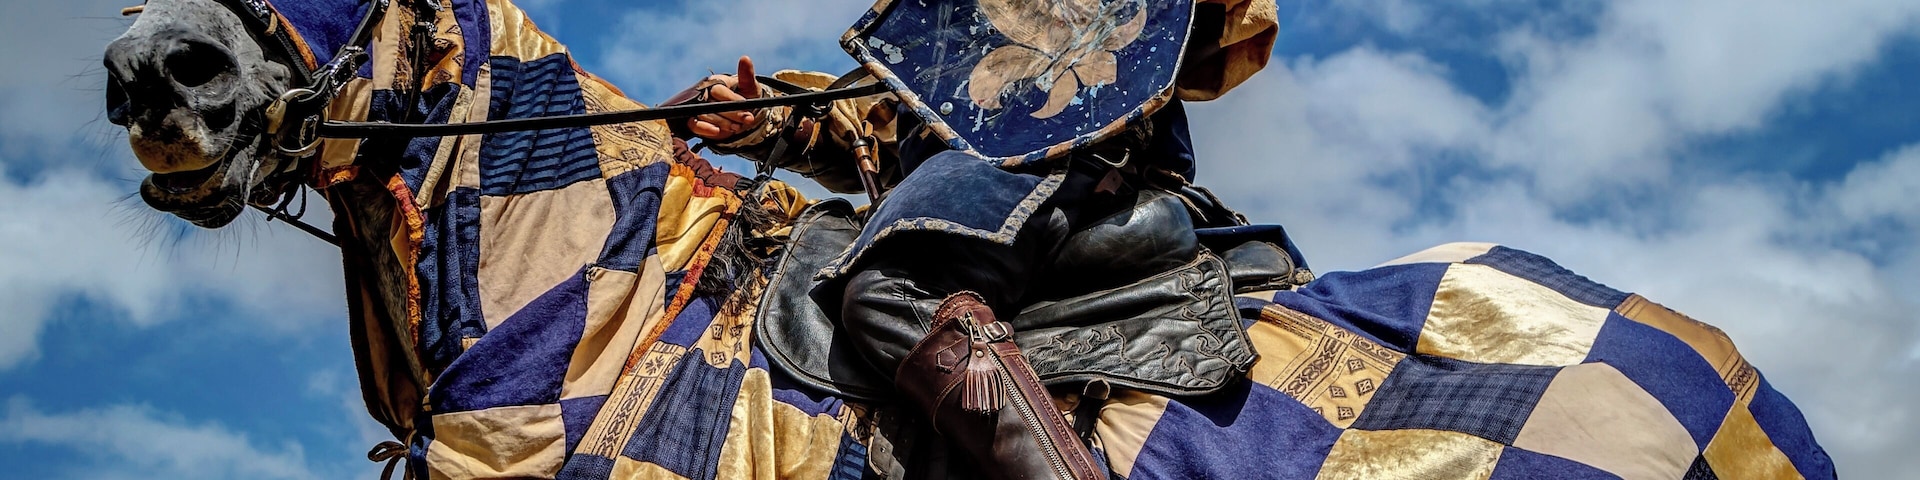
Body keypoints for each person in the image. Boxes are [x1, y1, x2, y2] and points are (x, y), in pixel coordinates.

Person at [672, 2, 1279, 478]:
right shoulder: (939, 30)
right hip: (964, 178)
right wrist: (761, 115)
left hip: (1051, 163)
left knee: (890, 293)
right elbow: (866, 115)